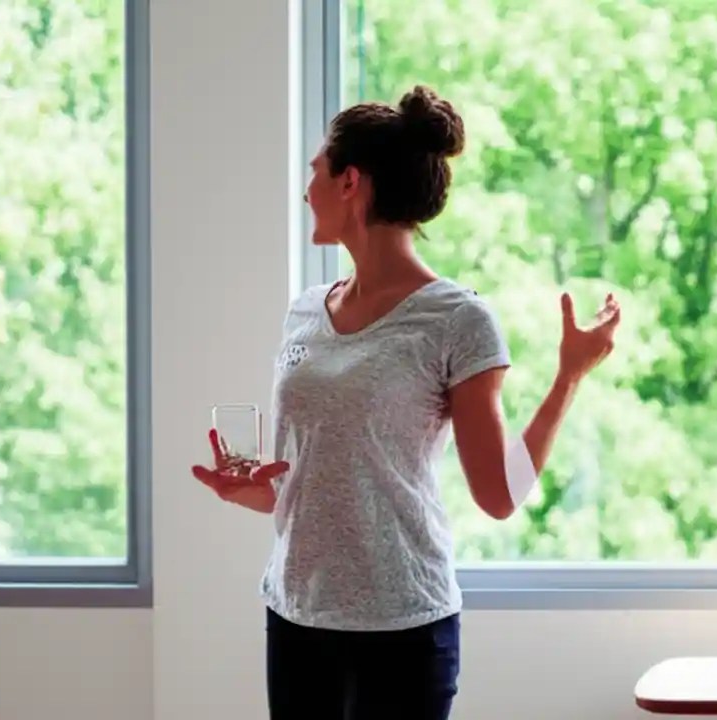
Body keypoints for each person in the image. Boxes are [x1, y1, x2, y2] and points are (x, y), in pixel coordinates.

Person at [190, 85, 621, 720]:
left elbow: (499, 495)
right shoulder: (305, 311)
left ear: (349, 182)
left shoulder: (456, 319)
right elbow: (310, 483)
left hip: (403, 630)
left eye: (316, 171)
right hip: (295, 617)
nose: (306, 189)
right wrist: (253, 489)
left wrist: (568, 378)